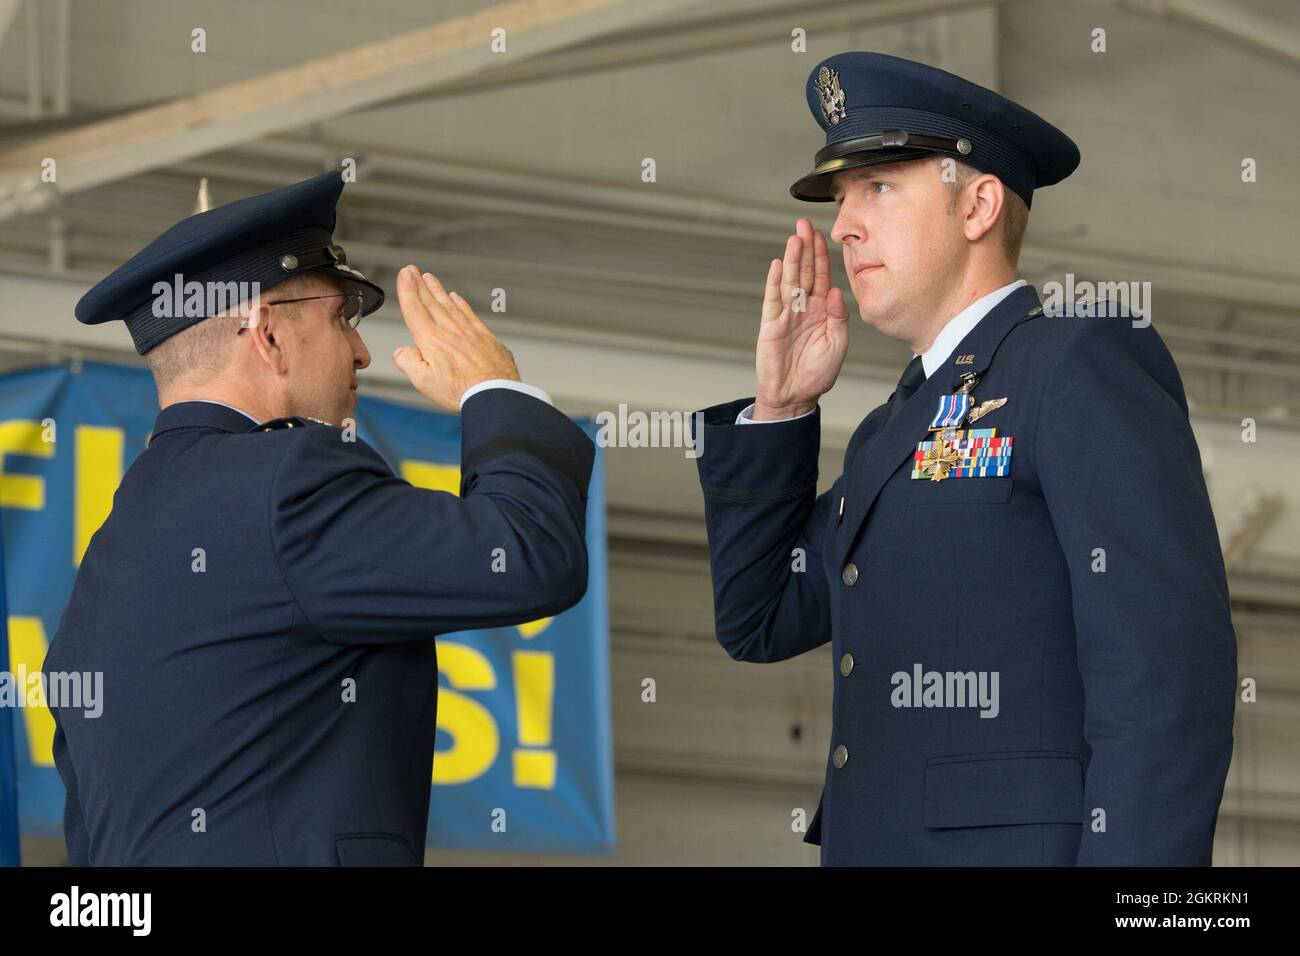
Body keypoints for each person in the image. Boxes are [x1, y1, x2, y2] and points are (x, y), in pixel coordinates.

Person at [691, 52, 1236, 865]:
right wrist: (781, 410)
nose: (844, 226)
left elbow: (1167, 672)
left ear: (979, 203)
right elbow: (759, 618)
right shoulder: (892, 429)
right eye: (841, 200)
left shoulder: (1077, 363)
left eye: (879, 187)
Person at [43, 170, 595, 865]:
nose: (362, 351)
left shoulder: (101, 573)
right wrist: (500, 393)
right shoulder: (289, 480)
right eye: (341, 318)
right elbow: (529, 555)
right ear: (267, 335)